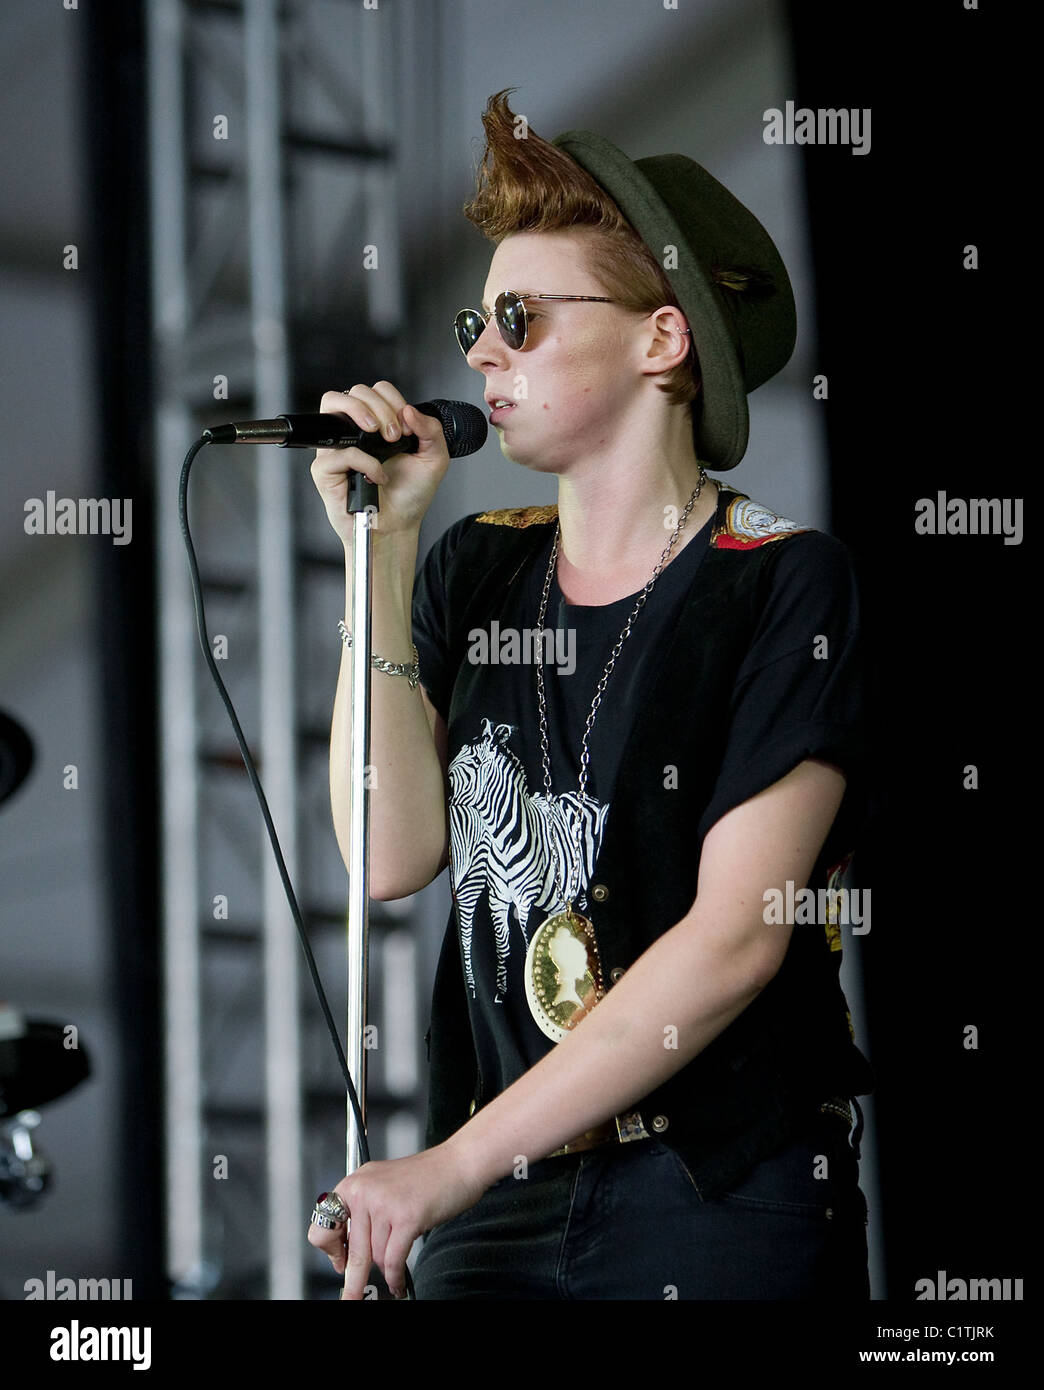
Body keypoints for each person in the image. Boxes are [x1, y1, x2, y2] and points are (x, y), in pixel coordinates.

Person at [307, 89, 875, 1300]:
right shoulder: (478, 567)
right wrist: (383, 553)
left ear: (660, 340)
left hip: (716, 1189)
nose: (477, 353)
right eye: (477, 317)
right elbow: (385, 851)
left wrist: (447, 1164)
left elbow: (734, 941)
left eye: (519, 317)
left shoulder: (780, 582)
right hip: (498, 1196)